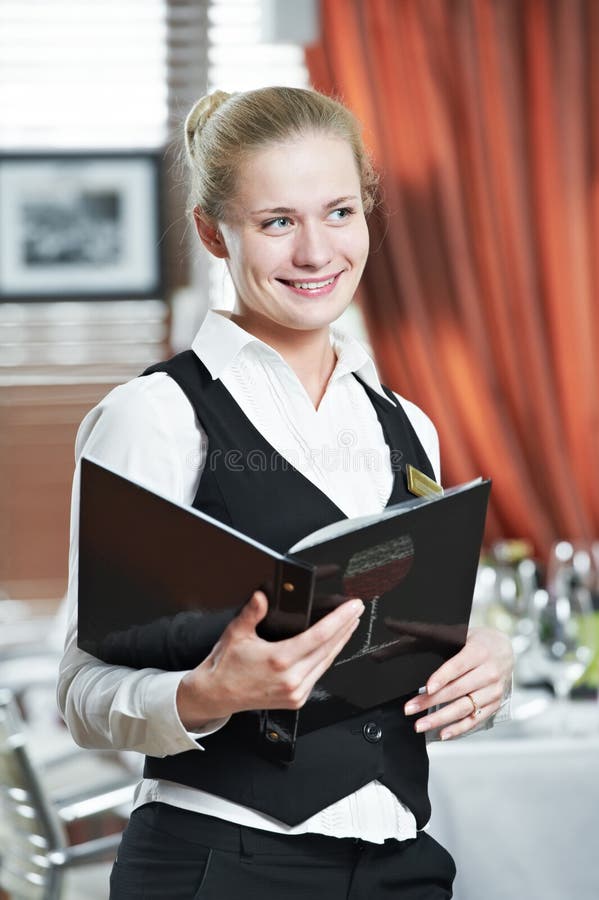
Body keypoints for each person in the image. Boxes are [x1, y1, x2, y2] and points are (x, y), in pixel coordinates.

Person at [58, 86, 513, 899]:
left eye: (338, 212)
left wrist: (480, 658)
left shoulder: (408, 425)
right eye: (277, 222)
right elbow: (82, 693)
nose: (315, 253)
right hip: (220, 866)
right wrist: (206, 694)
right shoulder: (154, 418)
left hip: (403, 863)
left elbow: (403, 639)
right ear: (213, 233)